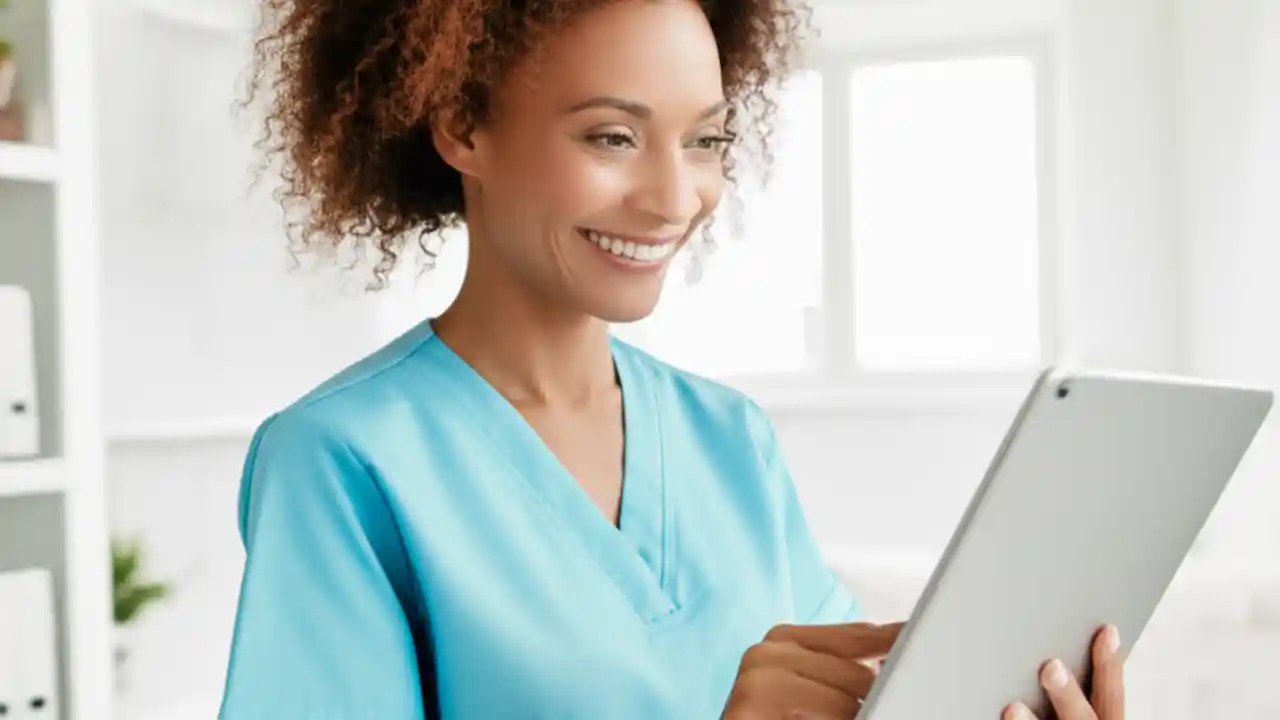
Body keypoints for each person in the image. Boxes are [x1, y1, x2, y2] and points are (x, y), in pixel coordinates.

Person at [218, 0, 1126, 717]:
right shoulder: (342, 460)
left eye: (705, 140)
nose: (674, 196)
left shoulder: (730, 438)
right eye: (612, 136)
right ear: (462, 126)